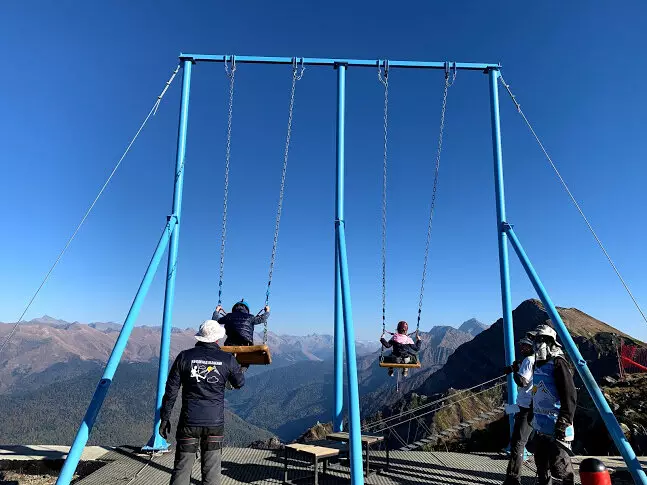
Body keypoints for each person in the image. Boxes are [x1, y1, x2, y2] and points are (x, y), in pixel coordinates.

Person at [159, 319, 245, 485]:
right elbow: (239, 383)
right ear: (217, 339)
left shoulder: (184, 357)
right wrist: (235, 365)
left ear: (199, 337)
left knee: (182, 469)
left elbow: (171, 392)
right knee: (212, 472)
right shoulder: (227, 359)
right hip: (214, 423)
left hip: (189, 422)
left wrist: (165, 418)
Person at [528, 323, 577, 485]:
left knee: (560, 468)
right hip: (541, 426)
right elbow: (536, 390)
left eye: (539, 340)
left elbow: (569, 395)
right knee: (541, 465)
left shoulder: (558, 363)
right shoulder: (538, 364)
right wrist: (531, 411)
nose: (536, 344)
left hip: (557, 428)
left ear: (550, 342)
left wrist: (564, 421)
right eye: (534, 340)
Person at [503, 337, 535, 485]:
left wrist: (515, 371)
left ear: (531, 347)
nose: (522, 348)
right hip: (534, 404)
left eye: (525, 346)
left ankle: (513, 479)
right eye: (521, 345)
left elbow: (522, 381)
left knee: (517, 443)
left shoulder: (529, 360)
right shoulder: (537, 360)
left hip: (526, 406)